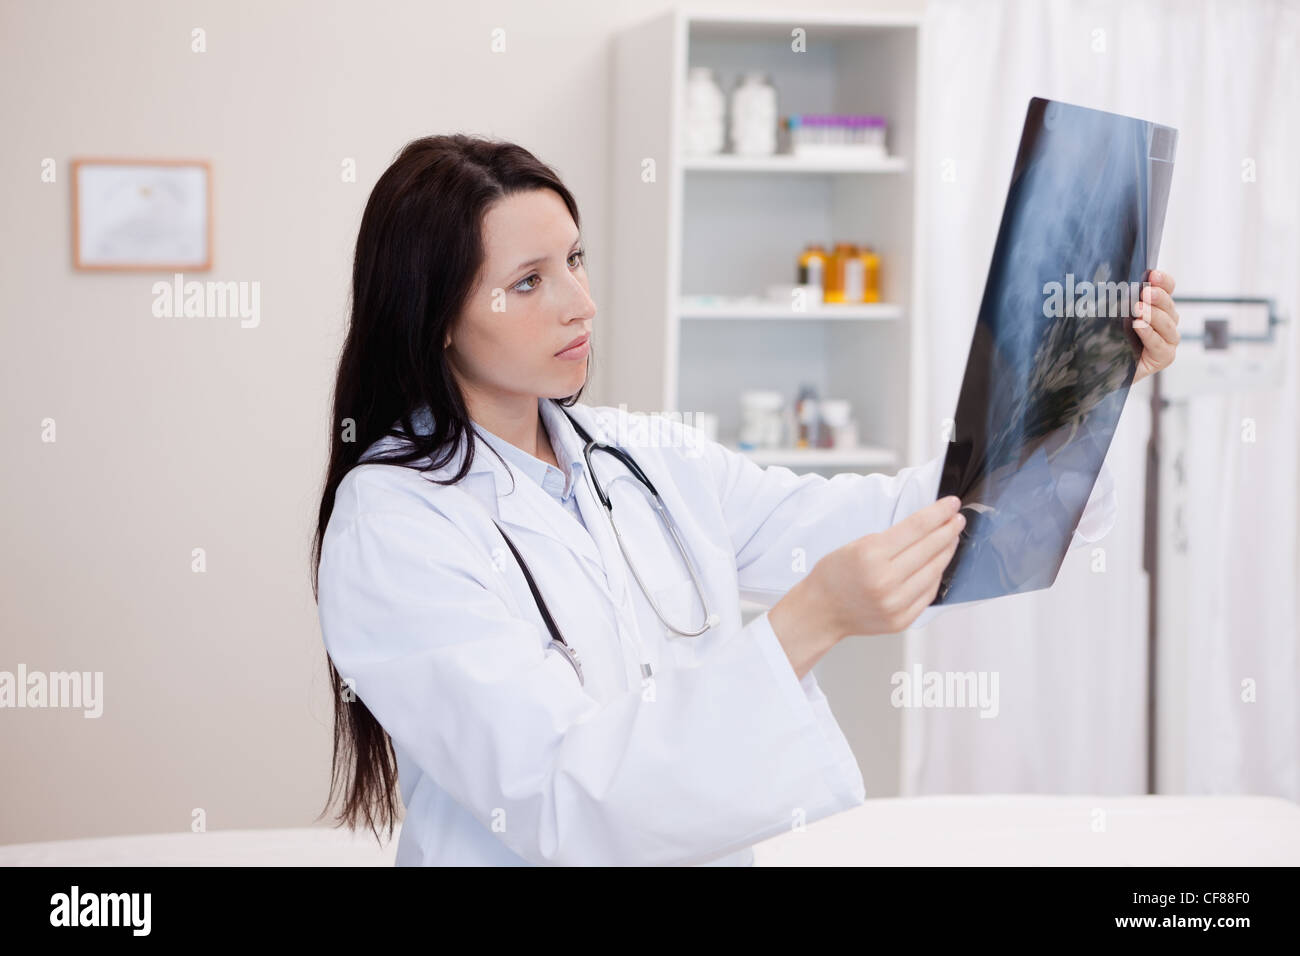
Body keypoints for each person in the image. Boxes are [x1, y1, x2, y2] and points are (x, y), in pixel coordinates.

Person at [310, 133, 1181, 867]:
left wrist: (1083, 393)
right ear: (434, 314)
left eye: (575, 259)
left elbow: (895, 517)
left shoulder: (642, 456)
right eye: (529, 281)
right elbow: (560, 796)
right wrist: (813, 619)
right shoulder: (395, 525)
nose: (582, 303)